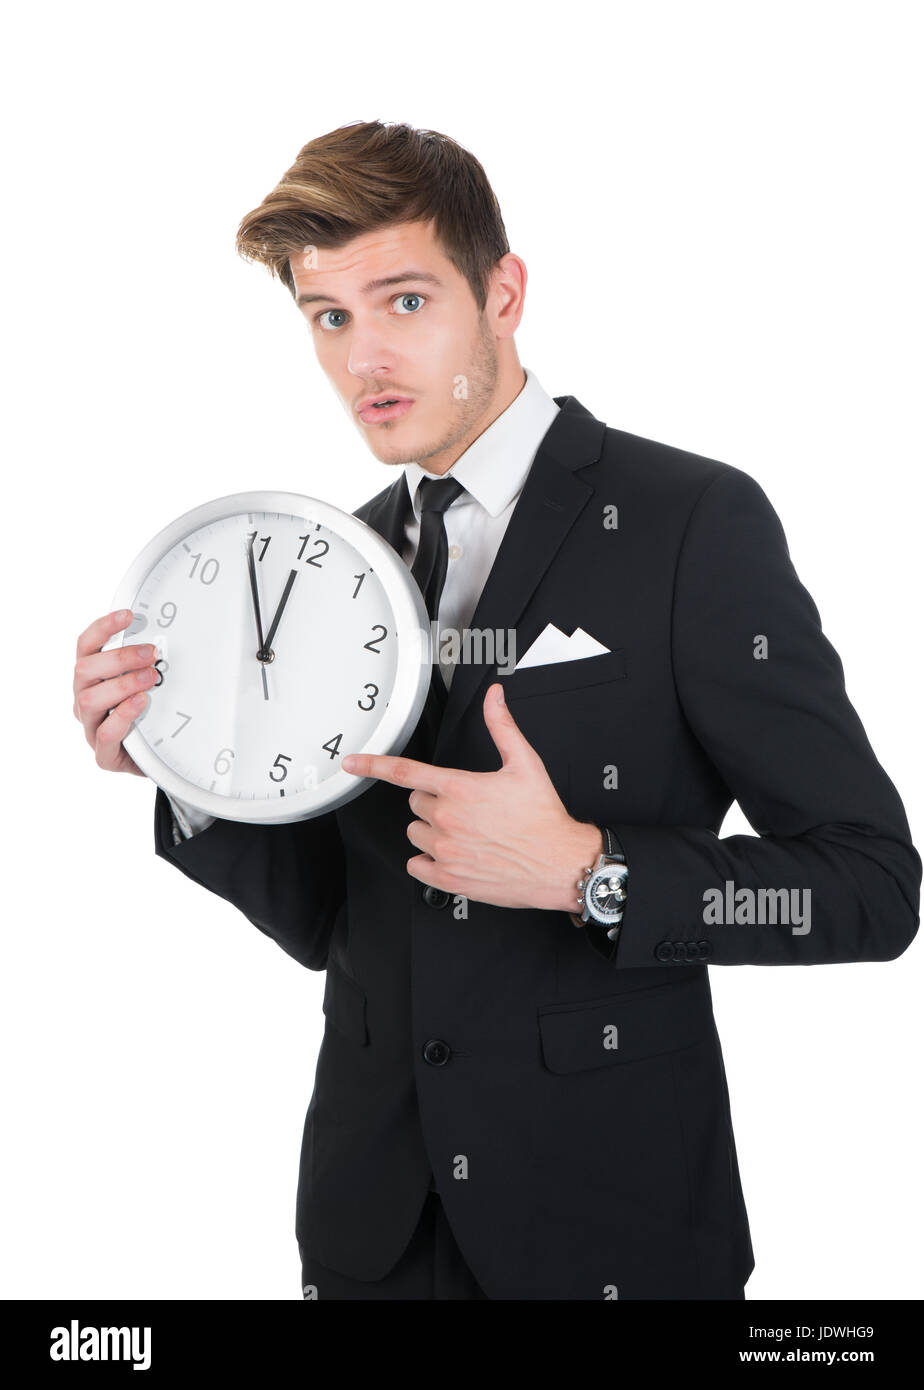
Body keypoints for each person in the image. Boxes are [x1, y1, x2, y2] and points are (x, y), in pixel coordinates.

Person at [72, 120, 920, 1300]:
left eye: (405, 301)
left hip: (611, 1235)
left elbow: (874, 885)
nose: (366, 357)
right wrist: (183, 768)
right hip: (372, 1237)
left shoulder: (689, 523)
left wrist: (591, 870)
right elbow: (339, 923)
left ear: (503, 292)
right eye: (329, 317)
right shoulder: (340, 564)